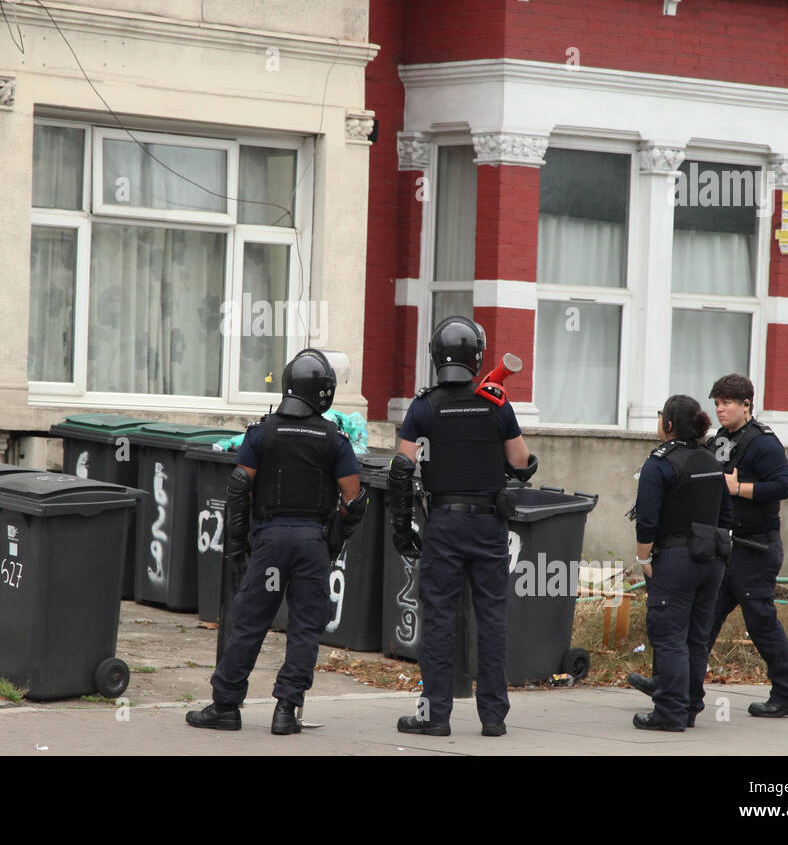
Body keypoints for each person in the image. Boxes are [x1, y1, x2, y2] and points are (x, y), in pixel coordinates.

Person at [186, 349, 365, 734]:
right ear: (324, 394)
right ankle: (287, 710)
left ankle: (226, 706)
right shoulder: (335, 438)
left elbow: (239, 487)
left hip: (270, 540)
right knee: (304, 627)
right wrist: (334, 538)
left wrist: (238, 544)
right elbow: (354, 499)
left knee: (249, 622)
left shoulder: (261, 432)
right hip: (312, 543)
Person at [390, 315, 534, 738]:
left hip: (444, 526)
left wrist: (402, 527)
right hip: (490, 525)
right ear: (477, 356)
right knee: (491, 616)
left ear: (436, 356)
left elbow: (401, 471)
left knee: (438, 618)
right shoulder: (496, 401)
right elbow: (521, 464)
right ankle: (493, 717)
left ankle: (435, 715)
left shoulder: (423, 406)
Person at [629, 395, 733, 731]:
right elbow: (726, 514)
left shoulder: (659, 463)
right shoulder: (710, 461)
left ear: (670, 424)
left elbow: (646, 519)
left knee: (669, 635)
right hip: (712, 558)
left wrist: (643, 558)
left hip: (675, 559)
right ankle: (688, 706)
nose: (659, 421)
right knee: (696, 636)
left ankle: (670, 711)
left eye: (661, 416)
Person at [706, 374, 788, 717]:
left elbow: (783, 487)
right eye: (716, 403)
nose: (720, 409)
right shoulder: (721, 439)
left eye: (727, 403)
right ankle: (676, 685)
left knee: (761, 622)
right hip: (728, 546)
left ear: (746, 404)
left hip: (756, 548)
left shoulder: (763, 443)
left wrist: (739, 489)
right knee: (703, 618)